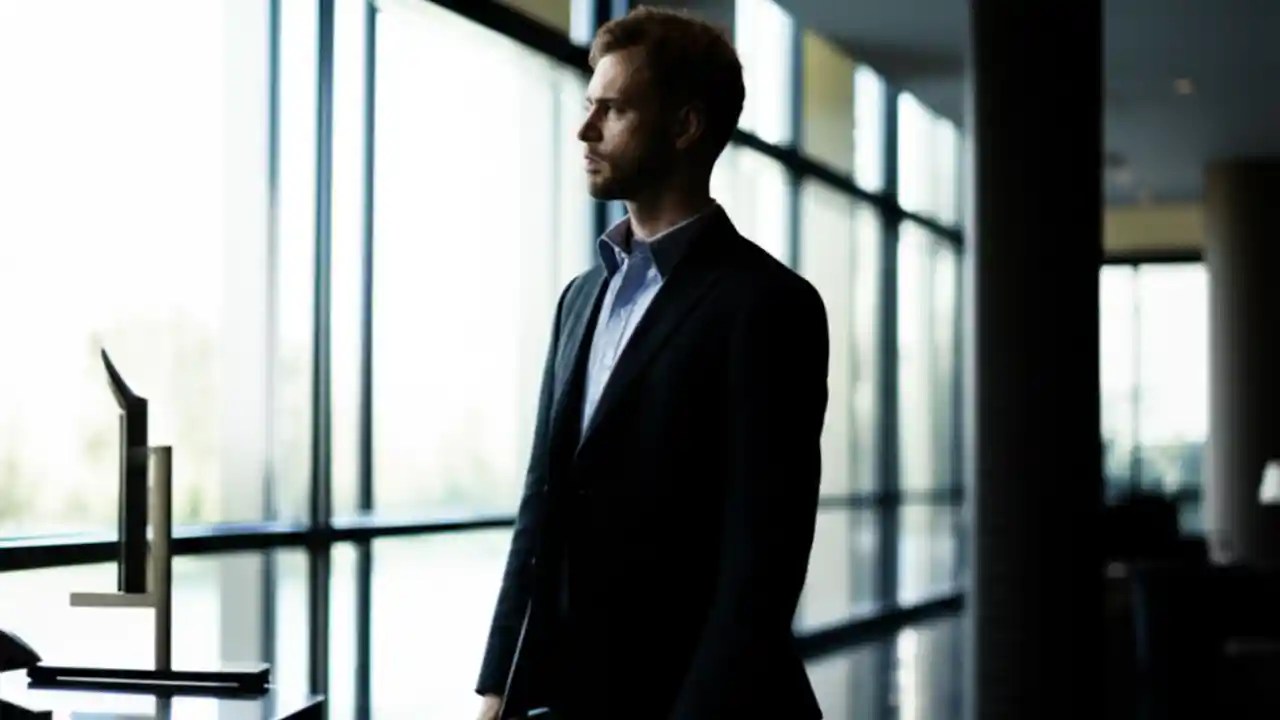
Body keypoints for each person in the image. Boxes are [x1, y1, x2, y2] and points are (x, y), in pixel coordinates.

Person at [475, 6, 829, 719]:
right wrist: (494, 695)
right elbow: (540, 515)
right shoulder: (580, 300)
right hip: (575, 698)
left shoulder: (769, 306)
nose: (584, 130)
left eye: (612, 109)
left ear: (685, 126)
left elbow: (760, 565)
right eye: (587, 106)